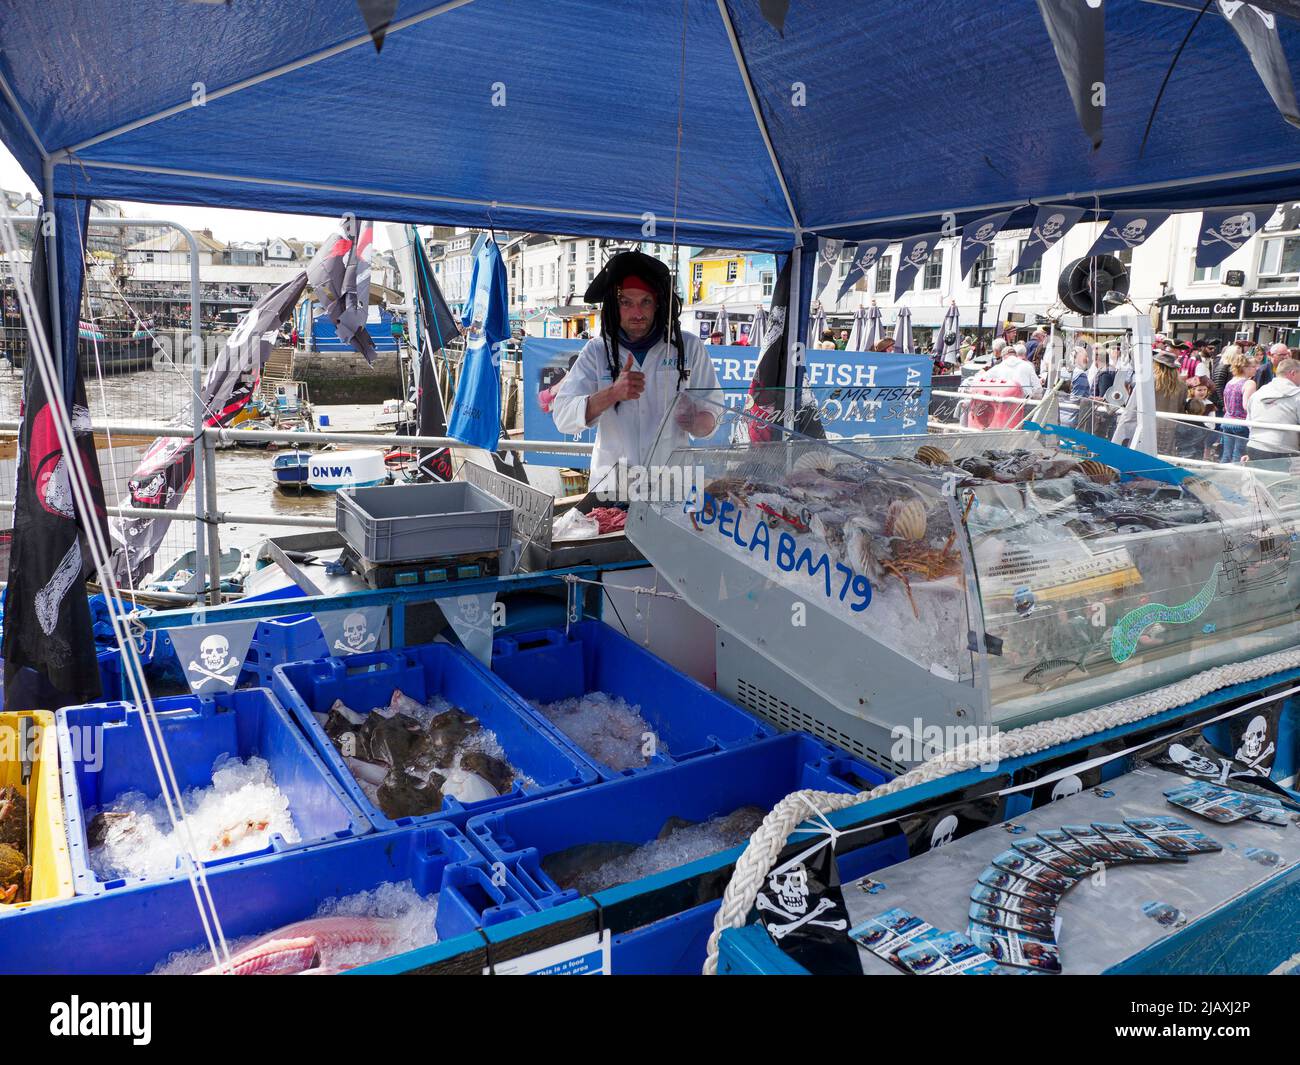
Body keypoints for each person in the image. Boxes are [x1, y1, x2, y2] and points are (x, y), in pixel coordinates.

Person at [550, 250, 721, 495]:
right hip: (612, 489)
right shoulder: (597, 352)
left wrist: (697, 422)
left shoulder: (690, 348)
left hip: (672, 487)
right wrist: (612, 393)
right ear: (613, 306)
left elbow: (714, 414)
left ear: (659, 303)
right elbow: (563, 418)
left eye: (645, 301)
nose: (637, 313)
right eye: (626, 302)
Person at [1245, 357, 1300, 462]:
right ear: (1293, 373)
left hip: (1255, 445)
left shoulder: (1258, 393)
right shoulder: (1297, 395)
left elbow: (1249, 422)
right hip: (1284, 450)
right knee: (1287, 479)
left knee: (1259, 478)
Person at [1150, 348, 1188, 456]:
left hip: (1150, 424)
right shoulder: (1182, 385)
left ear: (1157, 365)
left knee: (1148, 455)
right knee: (1165, 456)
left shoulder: (1151, 382)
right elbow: (1181, 408)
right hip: (1170, 426)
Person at [1219, 350, 1254, 464]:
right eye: (1253, 366)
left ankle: (1221, 476)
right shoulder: (1249, 383)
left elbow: (1226, 404)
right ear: (1245, 368)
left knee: (1226, 455)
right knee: (1238, 457)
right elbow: (1246, 406)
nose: (1256, 369)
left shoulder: (1230, 382)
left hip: (1227, 421)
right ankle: (1235, 480)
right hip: (1241, 423)